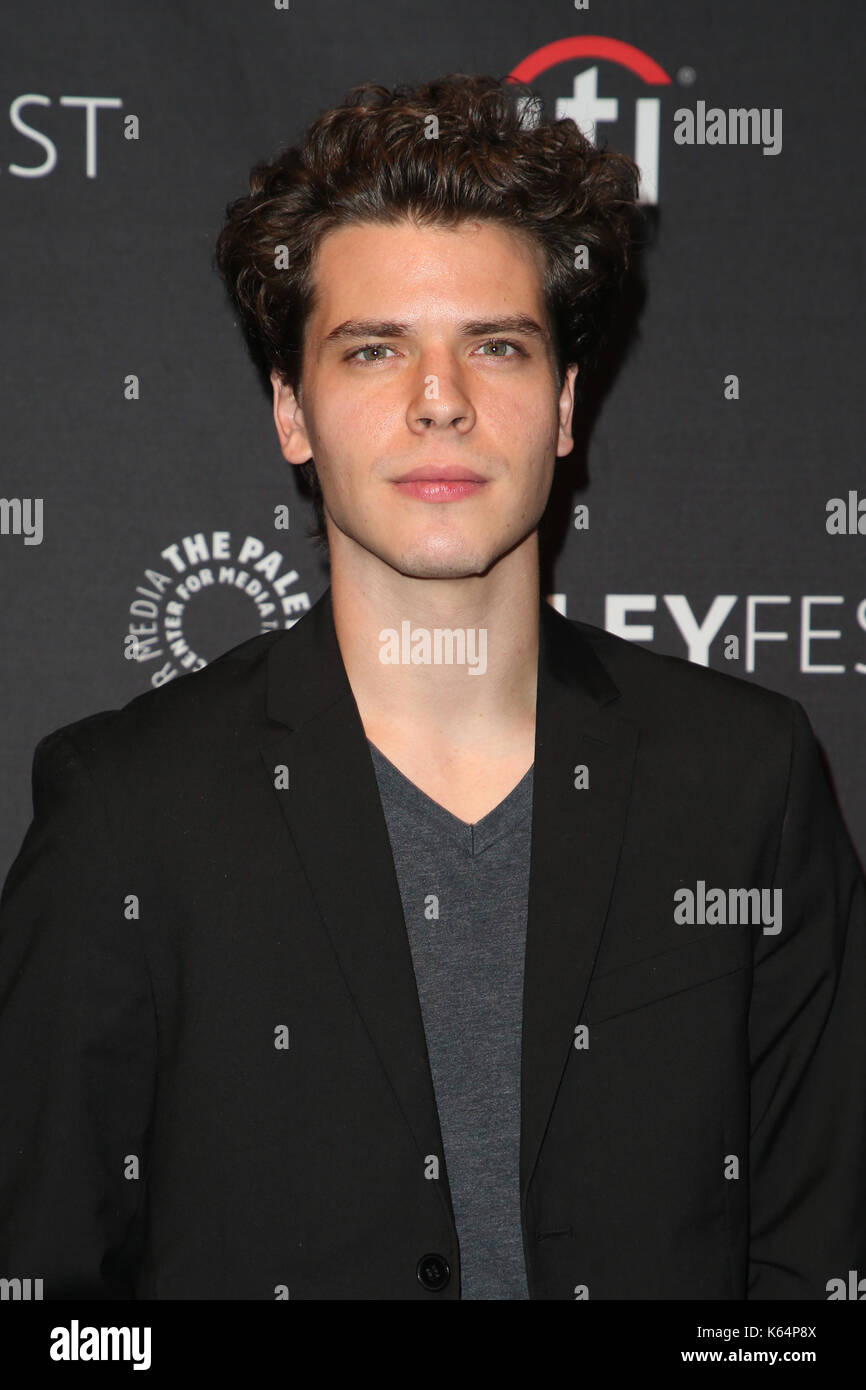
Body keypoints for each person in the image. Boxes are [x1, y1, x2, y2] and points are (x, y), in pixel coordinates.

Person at [0, 72, 864, 1301]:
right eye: (373, 349)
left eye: (495, 346)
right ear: (291, 413)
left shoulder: (745, 783)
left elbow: (816, 1268)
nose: (439, 400)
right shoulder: (125, 811)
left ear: (564, 405)